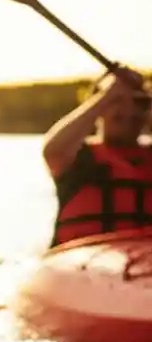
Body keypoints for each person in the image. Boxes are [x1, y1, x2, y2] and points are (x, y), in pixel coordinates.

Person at [42, 66, 152, 247]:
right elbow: (53, 151)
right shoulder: (79, 157)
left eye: (137, 102)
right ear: (98, 108)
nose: (128, 110)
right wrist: (107, 95)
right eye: (116, 101)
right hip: (82, 264)